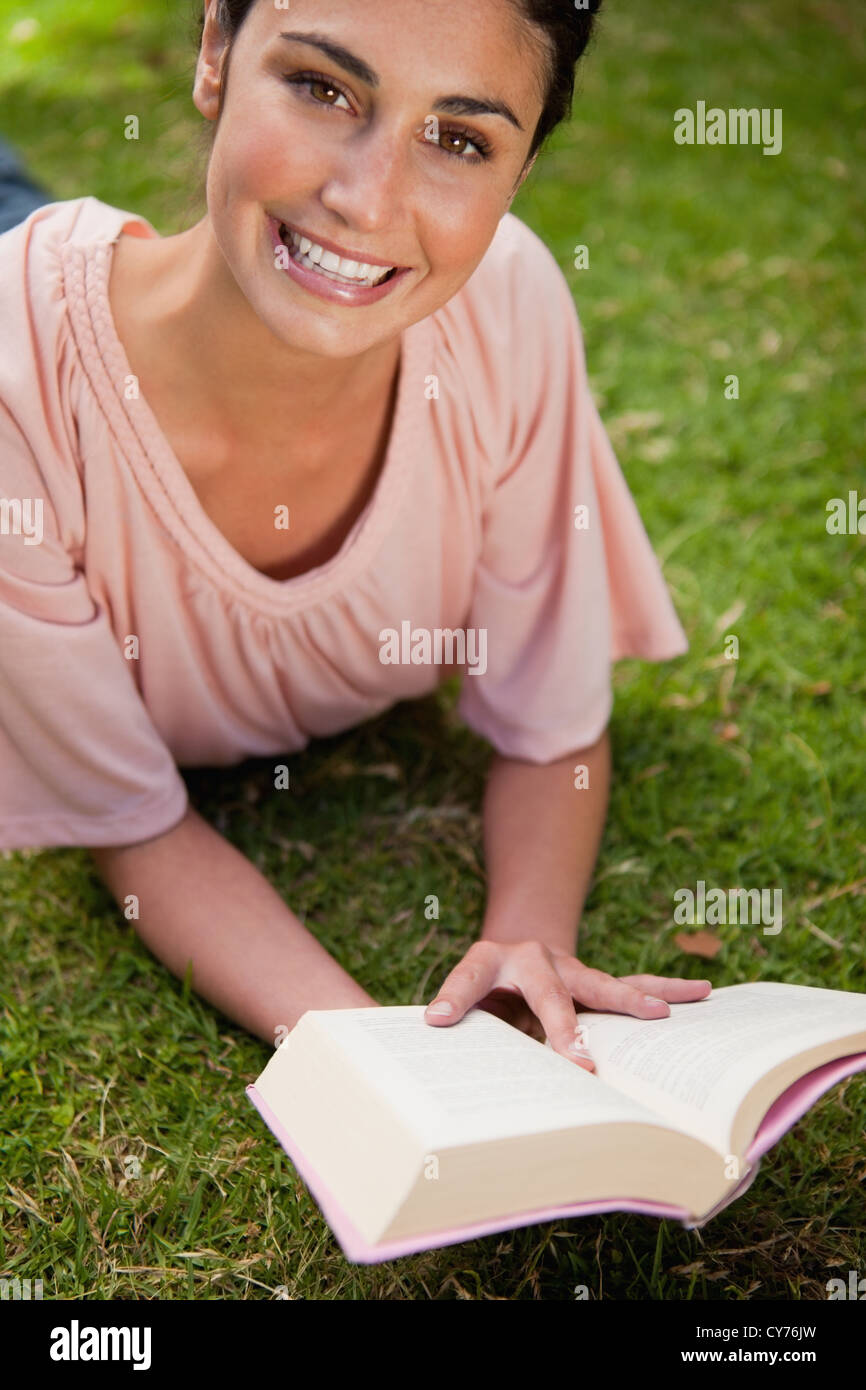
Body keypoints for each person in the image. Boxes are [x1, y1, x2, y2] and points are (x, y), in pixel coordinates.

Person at [0, 0, 711, 1064]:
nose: (366, 200)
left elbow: (551, 728)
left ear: (516, 177)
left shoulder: (504, 304)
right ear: (213, 52)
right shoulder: (22, 388)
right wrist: (390, 1063)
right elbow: (131, 820)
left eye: (459, 138)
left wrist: (526, 940)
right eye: (324, 88)